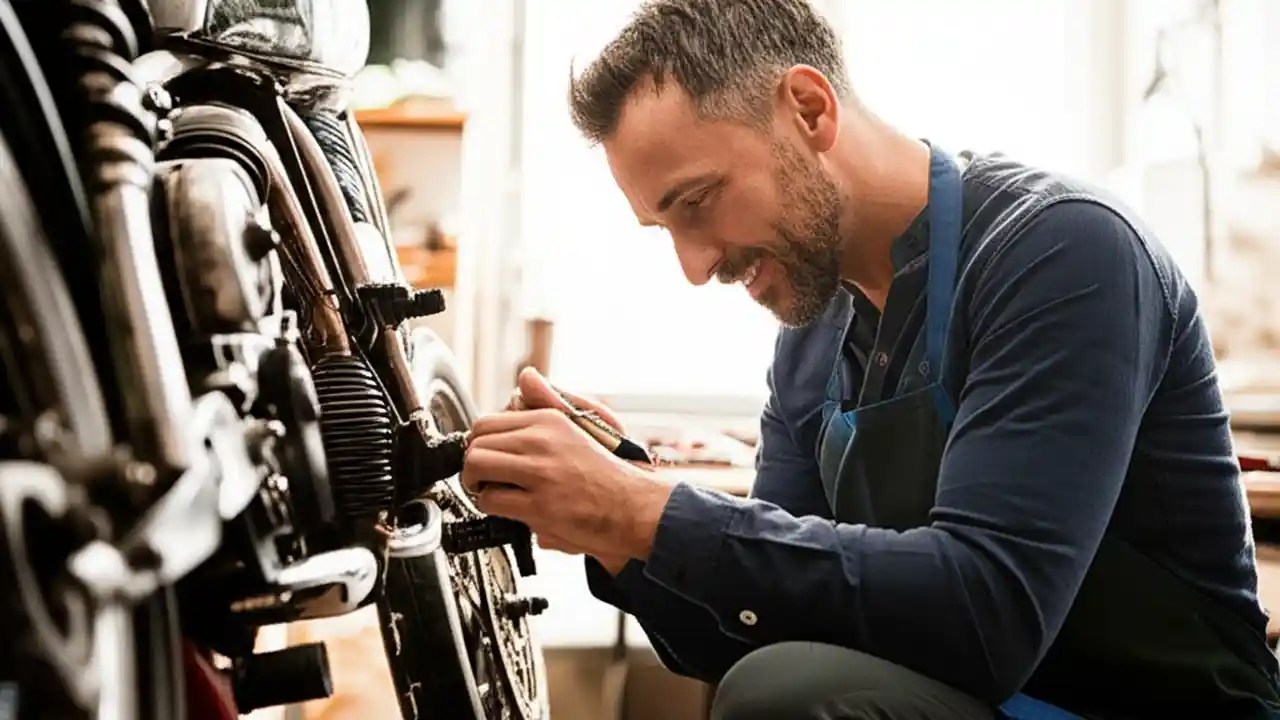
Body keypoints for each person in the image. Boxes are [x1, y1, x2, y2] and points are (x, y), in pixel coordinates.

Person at [458, 1, 1280, 717]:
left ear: (810, 109)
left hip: (1141, 707)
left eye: (698, 204)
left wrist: (644, 510)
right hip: (979, 700)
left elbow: (988, 616)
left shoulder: (1065, 253)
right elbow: (751, 626)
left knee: (790, 697)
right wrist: (612, 528)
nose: (695, 265)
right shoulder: (812, 336)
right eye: (665, 229)